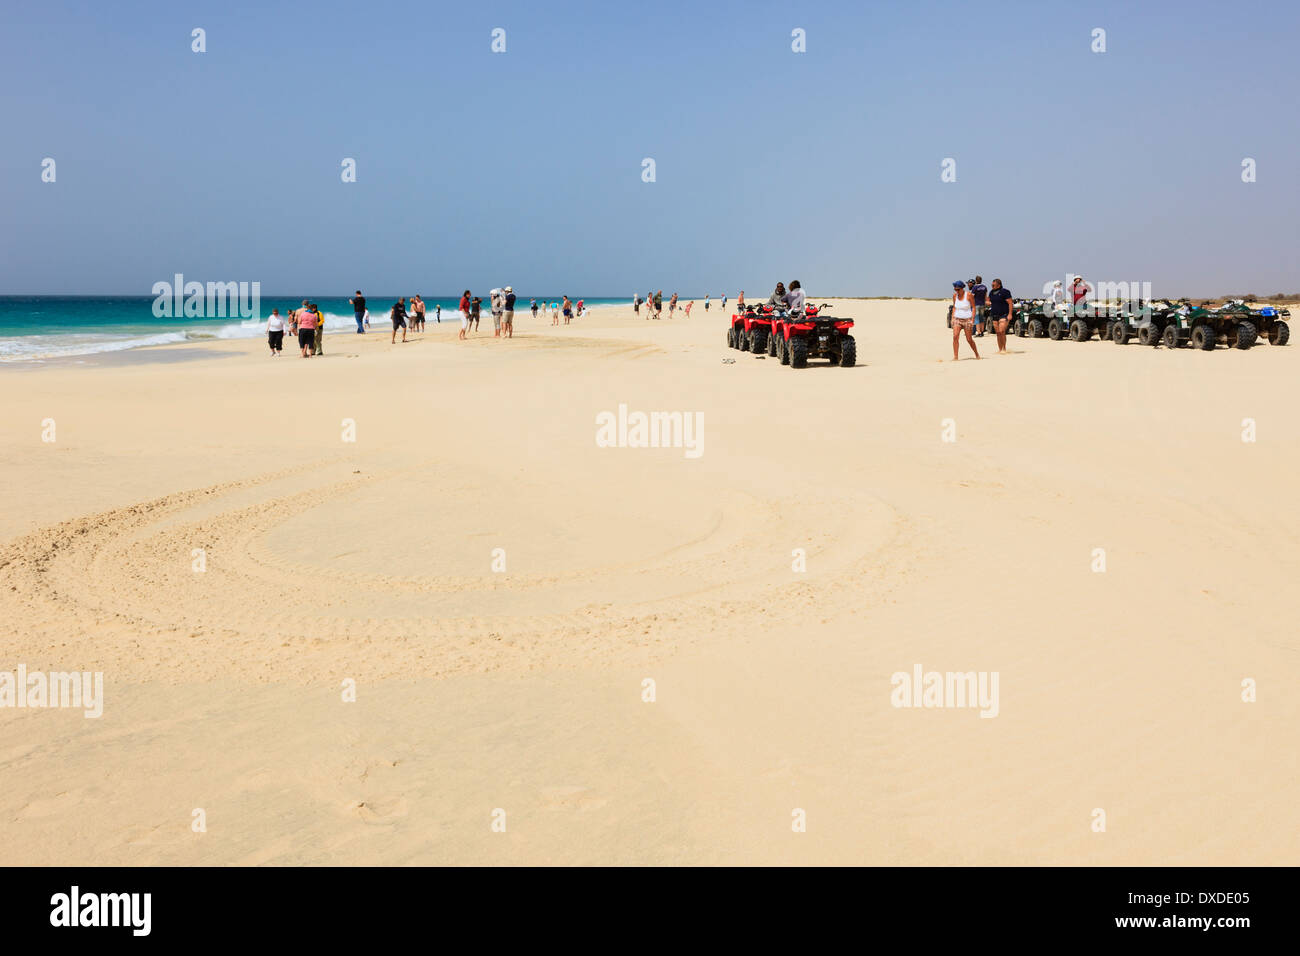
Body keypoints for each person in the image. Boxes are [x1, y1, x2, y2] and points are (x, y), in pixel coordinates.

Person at [950, 280, 979, 360]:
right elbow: (954, 307)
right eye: (955, 289)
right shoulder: (955, 296)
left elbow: (973, 307)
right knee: (955, 336)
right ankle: (956, 356)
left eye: (958, 289)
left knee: (969, 339)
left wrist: (973, 319)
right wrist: (952, 317)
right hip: (957, 319)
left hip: (967, 319)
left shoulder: (969, 295)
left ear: (962, 288)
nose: (956, 291)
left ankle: (976, 354)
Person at [988, 278, 1013, 354]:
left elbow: (1010, 303)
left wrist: (1010, 314)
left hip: (1004, 314)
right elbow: (989, 300)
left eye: (993, 285)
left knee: (1002, 331)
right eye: (991, 285)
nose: (992, 286)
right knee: (998, 332)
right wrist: (987, 302)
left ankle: (1004, 348)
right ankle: (1000, 349)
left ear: (999, 285)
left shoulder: (1005, 292)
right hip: (994, 314)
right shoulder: (991, 292)